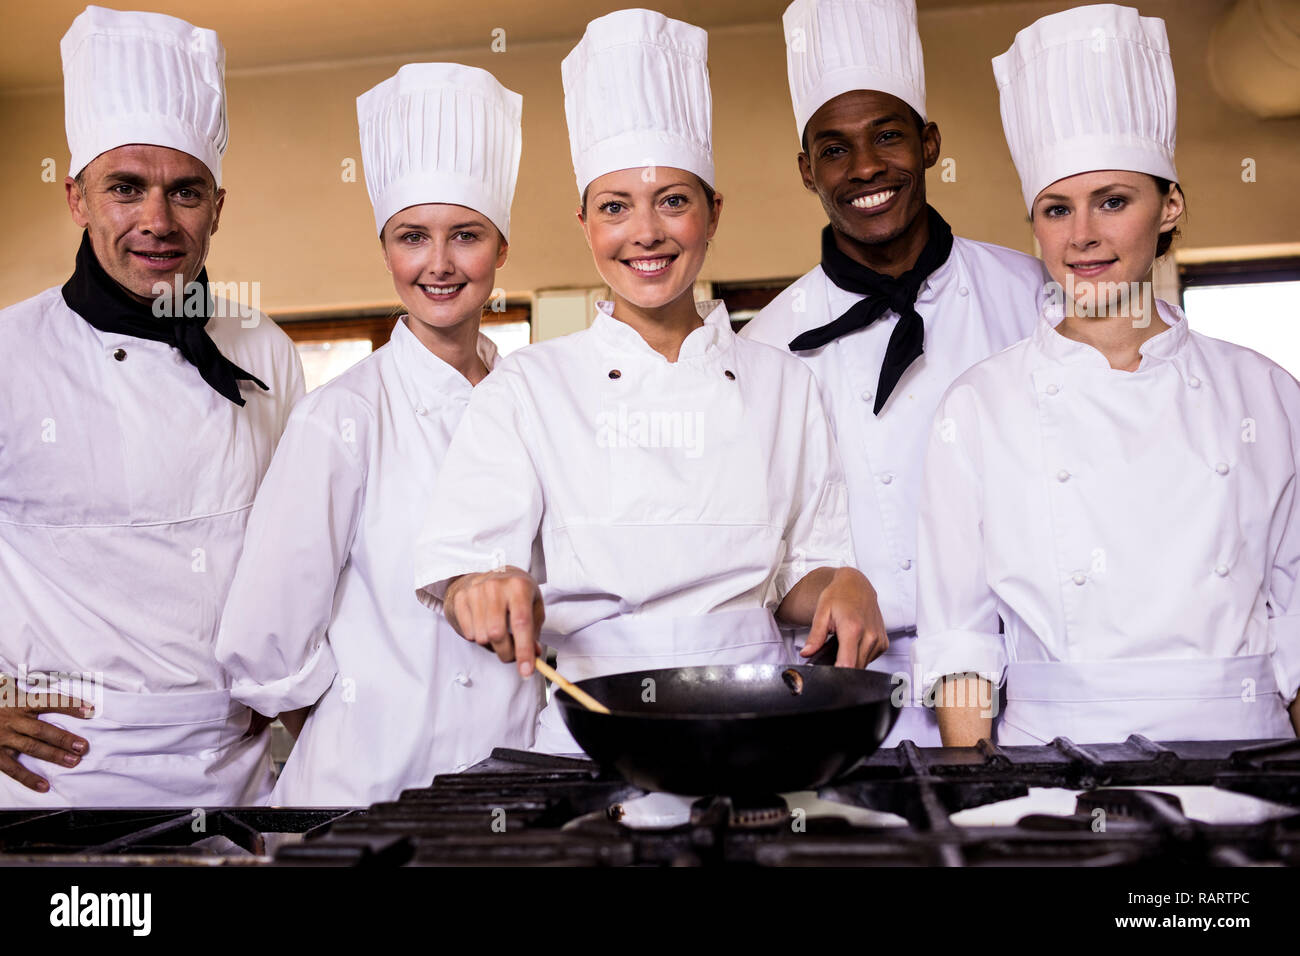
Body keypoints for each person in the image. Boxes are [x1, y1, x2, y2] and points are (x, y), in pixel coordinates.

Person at [412, 8, 881, 756]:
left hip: (759, 716)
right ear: (585, 224)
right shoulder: (530, 387)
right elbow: (466, 572)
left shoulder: (784, 381)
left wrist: (841, 584)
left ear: (712, 212)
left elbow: (799, 572)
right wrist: (483, 588)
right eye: (615, 208)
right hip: (591, 723)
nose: (647, 233)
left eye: (673, 200)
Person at [914, 3, 1300, 747]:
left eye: (1113, 202)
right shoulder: (982, 406)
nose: (1083, 236)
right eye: (1057, 209)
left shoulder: (1269, 395)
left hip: (1249, 761)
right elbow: (962, 645)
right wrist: (977, 809)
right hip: (1050, 777)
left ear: (1170, 206)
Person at [0, 6, 304, 806]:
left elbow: (297, 554)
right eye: (125, 189)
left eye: (185, 192)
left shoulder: (264, 349)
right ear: (77, 199)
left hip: (230, 770)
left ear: (217, 205)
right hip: (52, 777)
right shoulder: (8, 353)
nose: (158, 222)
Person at [215, 64, 542, 806]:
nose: (438, 263)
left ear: (501, 248)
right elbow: (266, 641)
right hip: (363, 798)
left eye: (466, 236)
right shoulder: (342, 419)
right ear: (386, 248)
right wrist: (366, 736)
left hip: (517, 795)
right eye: (411, 237)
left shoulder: (533, 406)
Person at [739, 0, 1048, 747]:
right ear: (806, 168)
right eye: (835, 149)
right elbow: (752, 558)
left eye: (887, 135)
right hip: (839, 702)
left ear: (930, 141)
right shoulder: (765, 345)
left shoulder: (1034, 297)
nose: (866, 167)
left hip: (1031, 681)